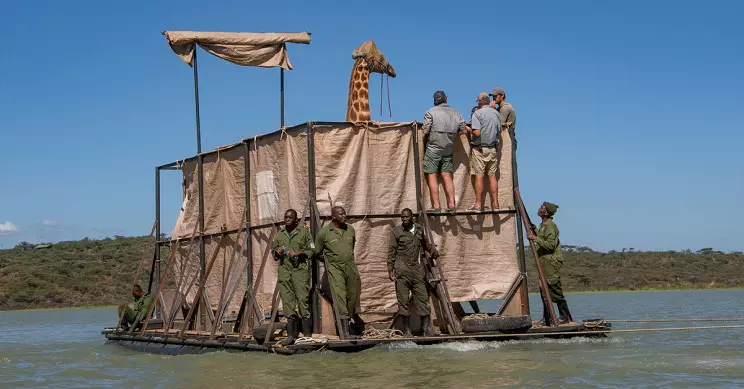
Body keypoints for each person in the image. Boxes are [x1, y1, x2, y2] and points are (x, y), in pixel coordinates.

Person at [387, 208, 439, 337]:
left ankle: (426, 329)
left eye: (406, 217)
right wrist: (390, 270)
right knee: (403, 299)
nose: (404, 219)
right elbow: (391, 252)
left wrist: (433, 252)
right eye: (402, 217)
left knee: (422, 297)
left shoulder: (419, 229)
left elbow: (425, 243)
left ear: (412, 217)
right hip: (402, 268)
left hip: (416, 268)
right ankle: (407, 330)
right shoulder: (396, 232)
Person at [314, 206, 361, 339]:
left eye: (345, 213)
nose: (344, 216)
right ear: (333, 217)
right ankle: (345, 333)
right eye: (341, 214)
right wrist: (329, 262)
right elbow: (316, 252)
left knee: (352, 296)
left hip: (350, 266)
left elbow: (351, 247)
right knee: (340, 296)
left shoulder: (350, 230)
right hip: (335, 268)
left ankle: (350, 323)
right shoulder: (324, 233)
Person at [526, 202, 574, 325]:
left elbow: (550, 245)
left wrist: (534, 238)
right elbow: (544, 238)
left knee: (554, 289)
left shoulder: (551, 226)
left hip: (551, 263)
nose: (539, 208)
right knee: (544, 292)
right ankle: (547, 319)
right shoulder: (543, 225)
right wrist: (535, 231)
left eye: (542, 207)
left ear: (546, 212)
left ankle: (565, 317)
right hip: (544, 263)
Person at [271, 208, 314, 345]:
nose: (287, 219)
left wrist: (300, 252)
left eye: (290, 217)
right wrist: (277, 252)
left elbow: (312, 250)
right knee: (288, 302)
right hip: (285, 271)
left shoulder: (304, 232)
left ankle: (307, 333)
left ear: (296, 220)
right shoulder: (280, 235)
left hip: (299, 271)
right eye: (285, 217)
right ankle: (291, 335)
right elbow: (274, 252)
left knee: (302, 300)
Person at [422, 90, 468, 213]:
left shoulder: (430, 112)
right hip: (448, 148)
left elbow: (425, 131)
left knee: (432, 175)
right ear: (446, 99)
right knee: (447, 176)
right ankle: (451, 205)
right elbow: (463, 131)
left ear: (435, 100)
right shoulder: (457, 113)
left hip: (433, 148)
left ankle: (436, 206)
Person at [469, 92, 502, 211]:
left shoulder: (477, 113)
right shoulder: (496, 113)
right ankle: (495, 204)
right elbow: (499, 130)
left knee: (479, 176)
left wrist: (471, 131)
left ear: (479, 102)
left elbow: (477, 132)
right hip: (493, 148)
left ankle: (478, 205)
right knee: (492, 177)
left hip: (480, 148)